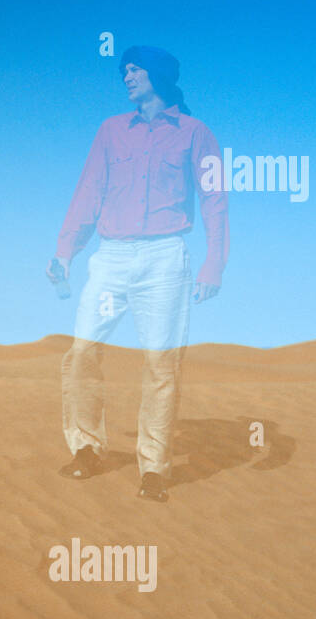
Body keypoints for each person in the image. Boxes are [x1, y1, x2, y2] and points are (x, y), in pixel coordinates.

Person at [46, 46, 228, 501]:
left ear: (159, 75)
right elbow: (88, 191)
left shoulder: (196, 133)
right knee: (81, 354)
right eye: (123, 69)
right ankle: (86, 448)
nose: (126, 76)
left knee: (161, 366)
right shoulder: (110, 131)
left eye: (135, 68)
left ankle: (153, 469)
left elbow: (214, 200)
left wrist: (214, 263)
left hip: (166, 258)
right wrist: (65, 251)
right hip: (110, 256)